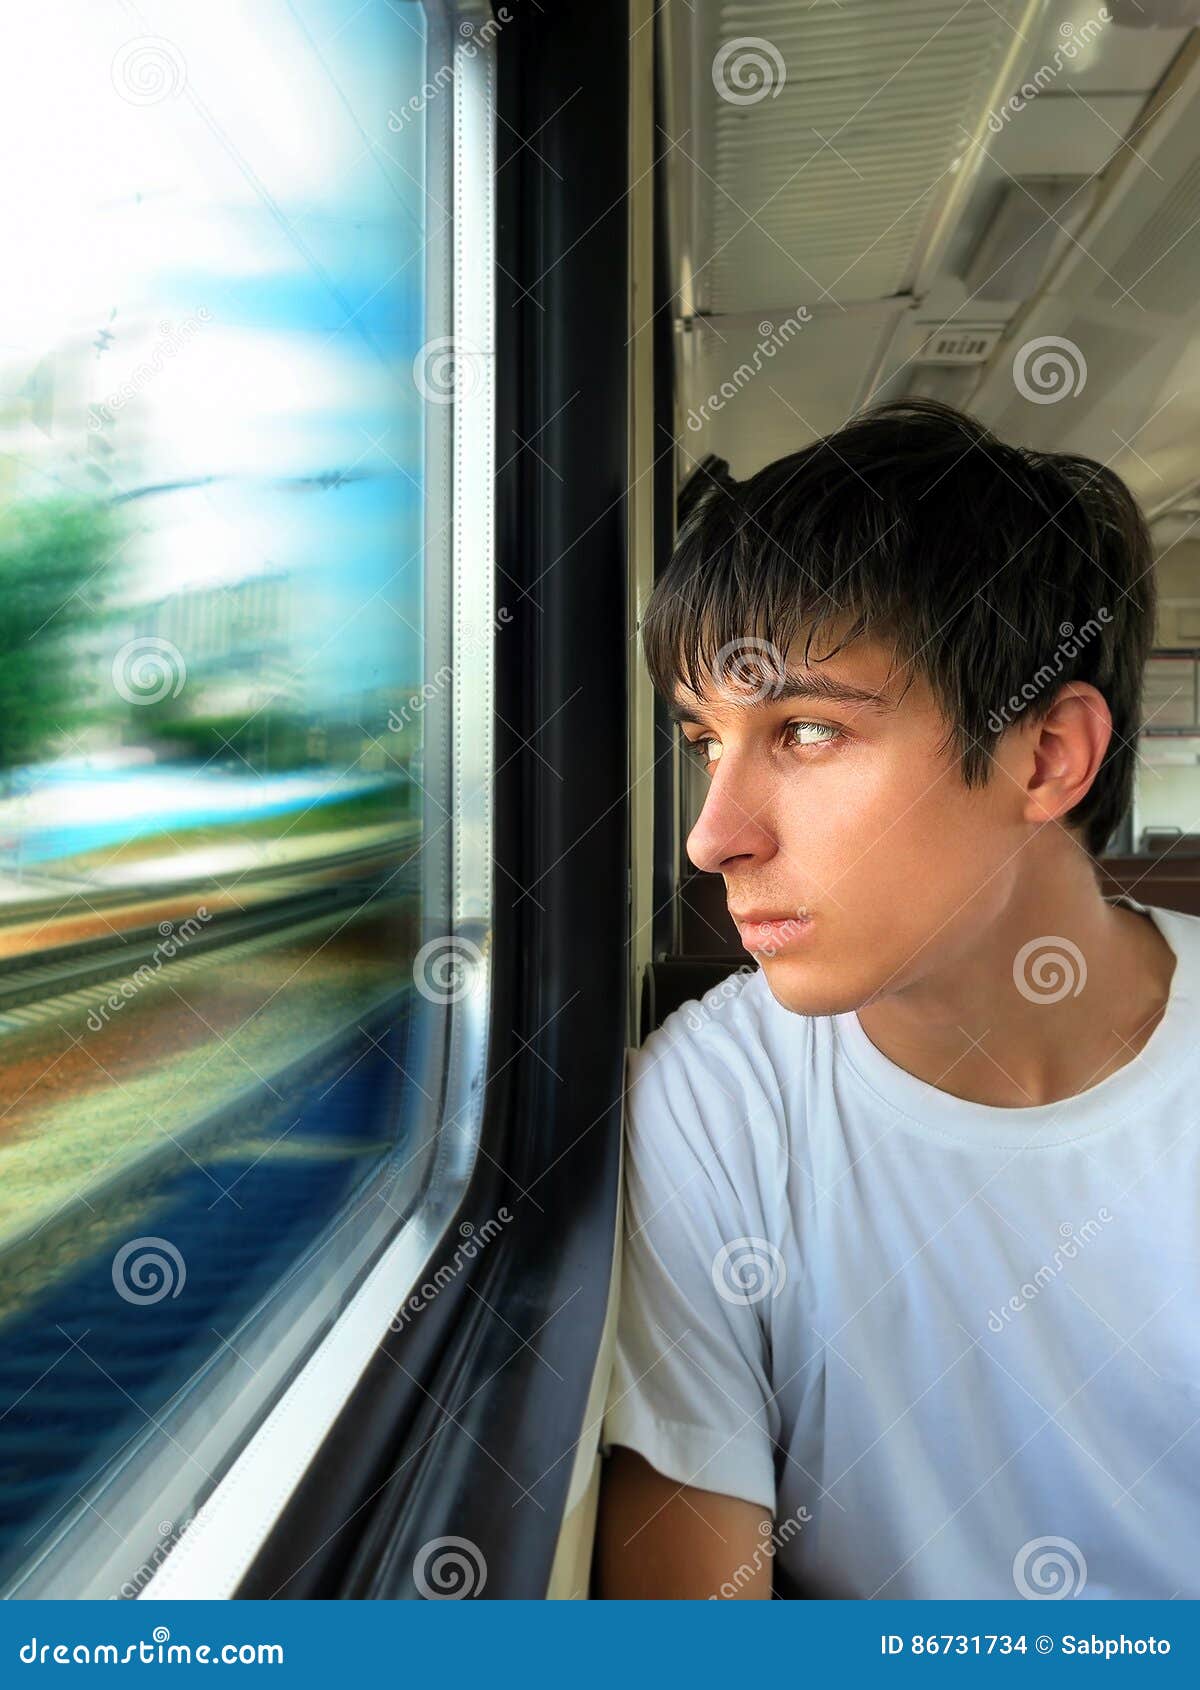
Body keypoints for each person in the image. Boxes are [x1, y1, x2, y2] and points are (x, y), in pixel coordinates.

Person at [597, 400, 1198, 1600]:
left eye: (807, 730)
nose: (715, 837)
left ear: (1044, 757)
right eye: (704, 742)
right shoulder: (716, 1103)